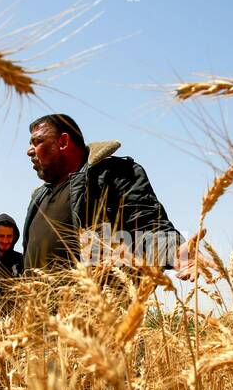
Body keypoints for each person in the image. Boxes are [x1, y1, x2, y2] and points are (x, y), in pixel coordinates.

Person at [22, 113, 202, 276]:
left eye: (37, 142)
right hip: (35, 310)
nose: (29, 151)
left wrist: (175, 251)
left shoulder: (113, 175)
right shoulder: (38, 196)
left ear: (63, 142)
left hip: (95, 308)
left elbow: (148, 226)